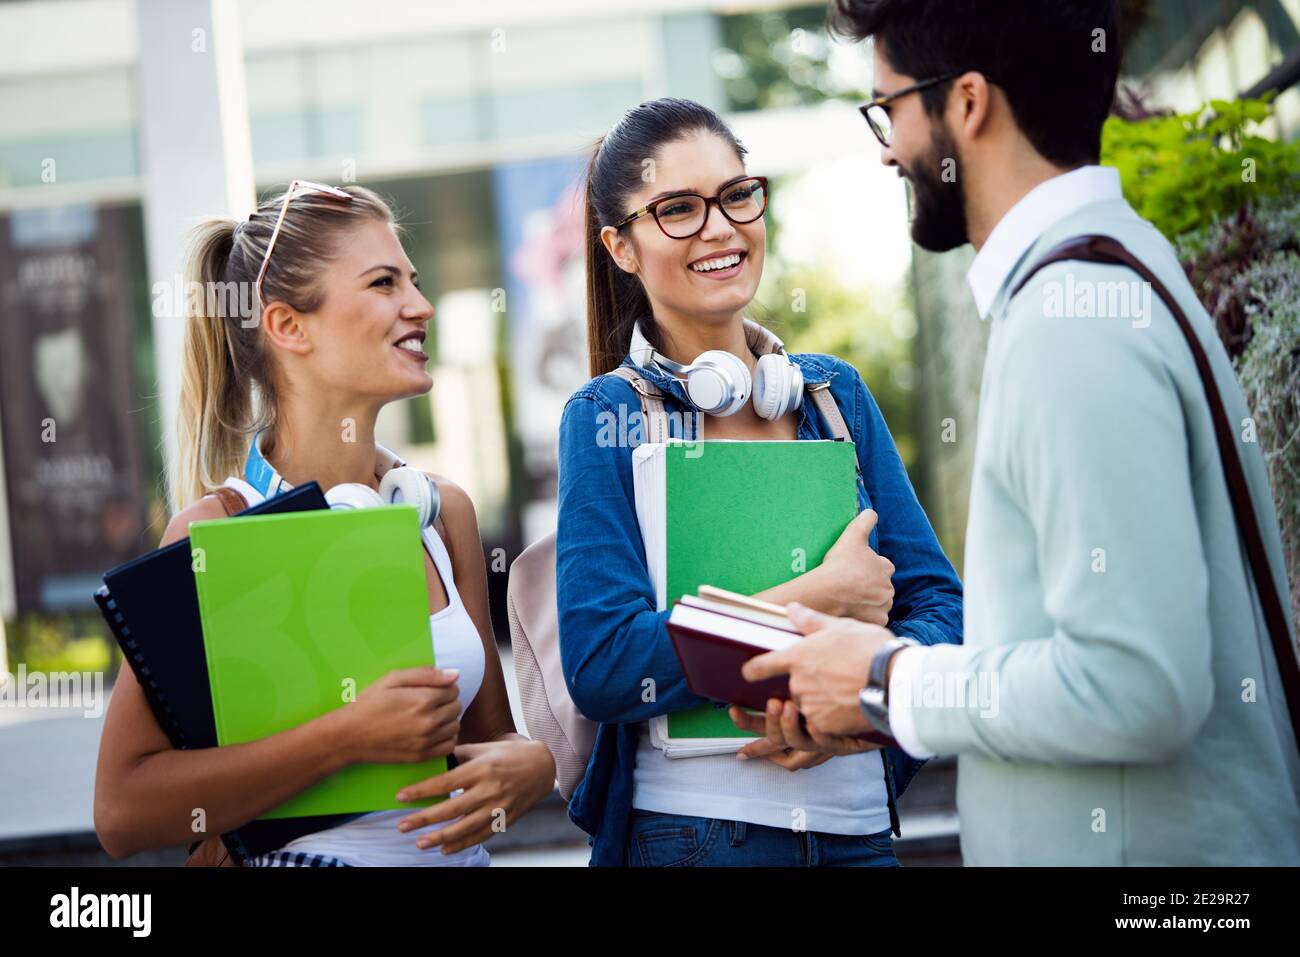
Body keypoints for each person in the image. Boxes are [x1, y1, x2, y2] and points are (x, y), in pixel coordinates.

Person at [740, 0, 1300, 865]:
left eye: (890, 106)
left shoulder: (1069, 322)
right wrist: (881, 703)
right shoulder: (1115, 269)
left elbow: (1138, 685)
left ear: (966, 102)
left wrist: (889, 680)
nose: (886, 147)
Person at [94, 182, 555, 866]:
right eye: (383, 282)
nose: (420, 306)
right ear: (288, 326)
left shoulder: (438, 510)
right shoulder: (215, 532)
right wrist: (346, 735)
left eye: (415, 280)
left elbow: (492, 745)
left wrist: (532, 766)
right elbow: (122, 811)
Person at [555, 97, 963, 866]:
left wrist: (860, 706)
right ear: (622, 247)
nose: (719, 226)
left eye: (737, 194)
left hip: (859, 829)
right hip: (700, 837)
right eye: (677, 208)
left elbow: (939, 603)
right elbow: (604, 663)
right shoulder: (603, 416)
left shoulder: (831, 395)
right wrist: (817, 596)